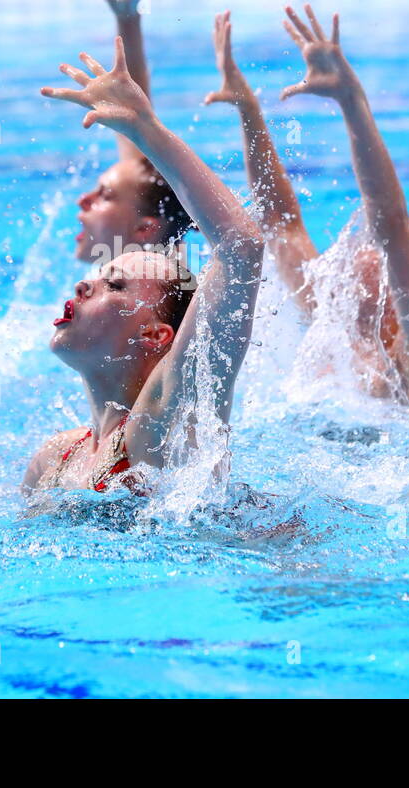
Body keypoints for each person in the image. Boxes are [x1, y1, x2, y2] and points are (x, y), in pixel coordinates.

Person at [205, 7, 409, 422]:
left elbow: (387, 220)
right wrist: (247, 109)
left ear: (406, 279)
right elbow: (280, 223)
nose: (357, 240)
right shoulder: (330, 318)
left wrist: (352, 101)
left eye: (375, 243)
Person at [23, 37, 264, 495]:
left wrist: (148, 129)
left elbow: (243, 248)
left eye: (113, 284)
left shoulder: (164, 424)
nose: (81, 285)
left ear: (155, 336)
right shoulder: (53, 459)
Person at [73, 0, 191, 263]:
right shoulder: (149, 282)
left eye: (105, 195)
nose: (83, 200)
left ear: (145, 229)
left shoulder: (172, 303)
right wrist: (127, 19)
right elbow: (135, 119)